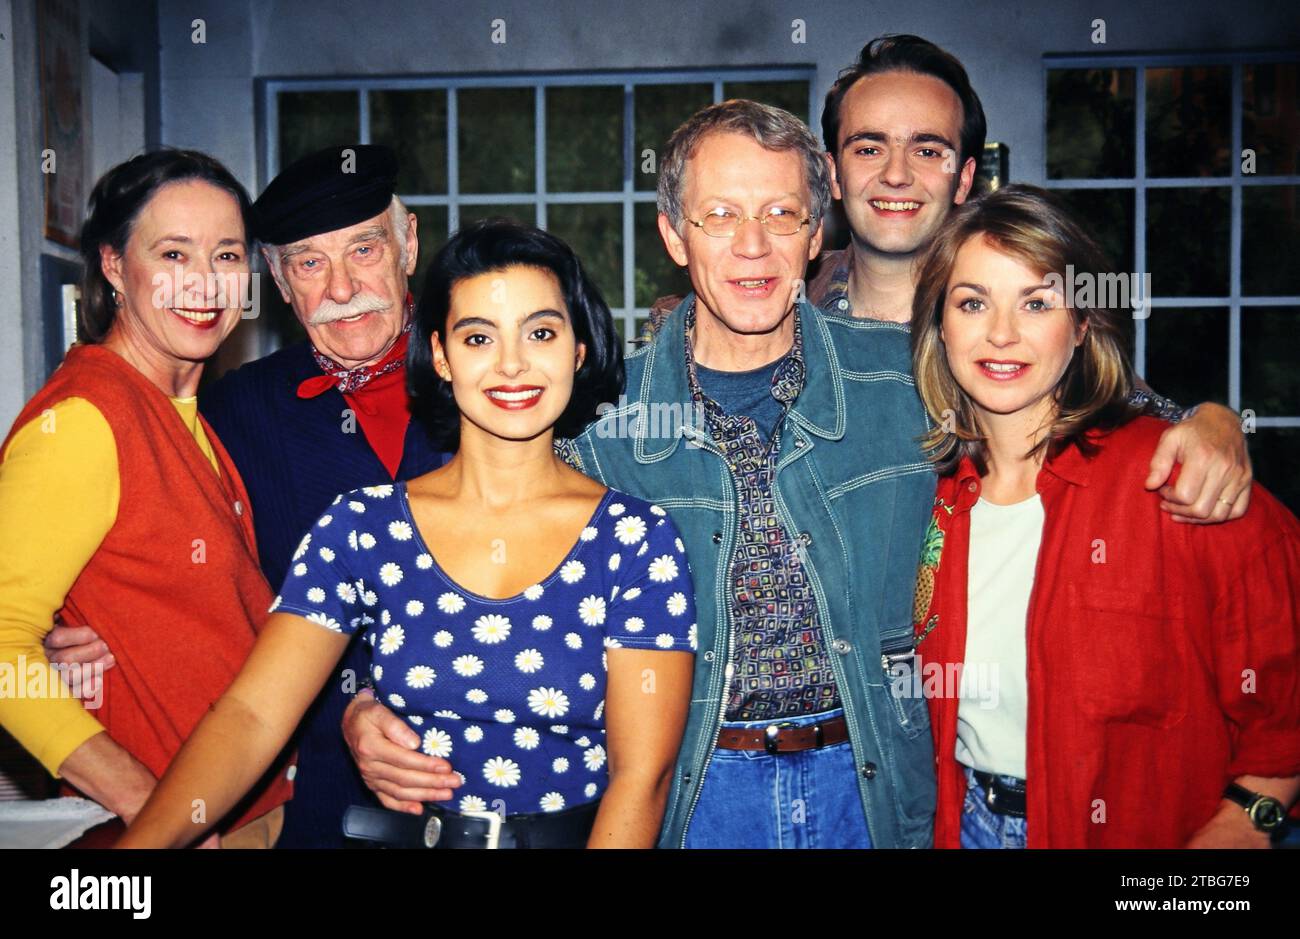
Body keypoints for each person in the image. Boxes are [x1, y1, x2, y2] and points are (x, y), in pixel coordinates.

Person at [349, 100, 938, 848]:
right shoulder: (592, 420)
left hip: (872, 785)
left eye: (781, 213)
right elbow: (471, 557)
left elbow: (1054, 406)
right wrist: (370, 698)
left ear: (816, 232)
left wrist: (1141, 425)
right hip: (691, 795)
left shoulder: (904, 378)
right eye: (719, 215)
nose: (752, 245)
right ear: (673, 236)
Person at [117, 220, 695, 849]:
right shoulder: (364, 528)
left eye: (541, 332)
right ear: (442, 356)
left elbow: (643, 777)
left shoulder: (635, 541)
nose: (511, 364)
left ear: (577, 352)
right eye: (479, 337)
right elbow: (252, 716)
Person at [648, 34, 1252, 525]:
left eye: (928, 150)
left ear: (964, 179)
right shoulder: (768, 312)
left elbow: (1125, 403)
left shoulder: (1007, 330)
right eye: (868, 148)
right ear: (830, 175)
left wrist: (1213, 423)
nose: (896, 175)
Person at [43, 144, 452, 847]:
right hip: (307, 809)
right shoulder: (227, 413)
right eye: (308, 263)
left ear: (408, 244)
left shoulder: (497, 382)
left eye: (364, 248)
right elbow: (182, 581)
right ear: (278, 279)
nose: (343, 287)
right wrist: (66, 627)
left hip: (498, 790)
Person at [907, 184, 1300, 848]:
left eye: (1037, 303)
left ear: (1084, 323)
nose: (1001, 333)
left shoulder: (1178, 480)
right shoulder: (927, 495)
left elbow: (1283, 710)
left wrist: (1245, 827)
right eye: (973, 302)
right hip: (965, 824)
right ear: (939, 325)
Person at [0, 150, 293, 847]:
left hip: (247, 812)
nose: (204, 282)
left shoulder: (188, 411)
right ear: (112, 267)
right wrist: (153, 804)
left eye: (226, 255)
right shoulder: (84, 419)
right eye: (172, 253)